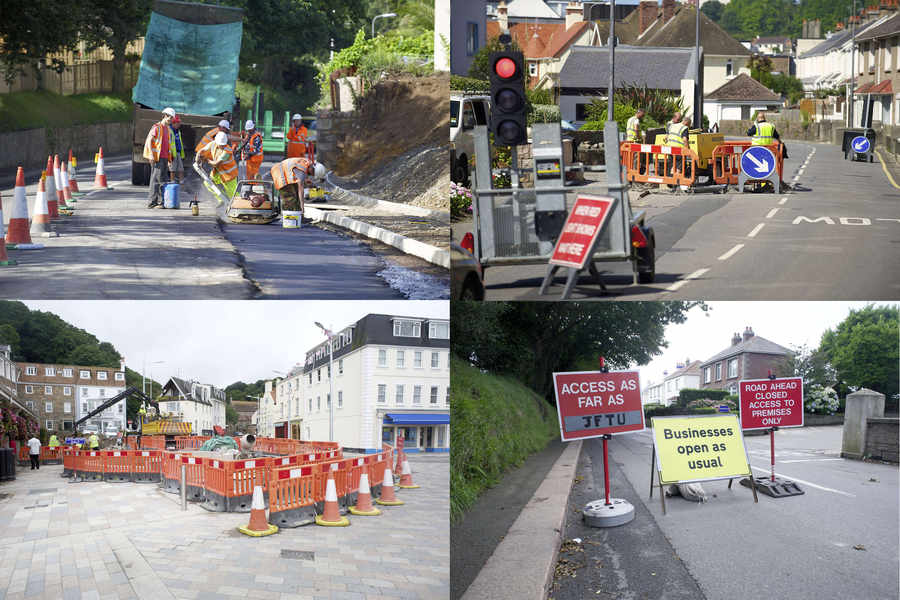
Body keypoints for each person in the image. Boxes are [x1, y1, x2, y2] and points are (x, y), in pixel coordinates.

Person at [143, 107, 176, 208]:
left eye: (172, 119)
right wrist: (152, 155)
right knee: (158, 180)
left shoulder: (167, 129)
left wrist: (169, 159)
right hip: (158, 158)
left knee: (161, 179)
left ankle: (156, 201)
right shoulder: (157, 127)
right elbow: (149, 140)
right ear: (165, 116)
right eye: (170, 118)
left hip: (164, 158)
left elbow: (168, 145)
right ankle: (155, 202)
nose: (171, 120)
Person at [197, 131, 239, 204]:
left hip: (229, 175)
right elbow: (202, 150)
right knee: (208, 183)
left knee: (233, 194)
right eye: (220, 145)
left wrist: (205, 159)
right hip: (218, 172)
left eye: (223, 145)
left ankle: (239, 205)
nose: (222, 146)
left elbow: (216, 164)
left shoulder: (227, 151)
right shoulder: (213, 144)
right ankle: (221, 199)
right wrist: (198, 156)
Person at [169, 115, 186, 183]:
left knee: (181, 168)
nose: (179, 125)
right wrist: (170, 153)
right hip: (173, 153)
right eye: (177, 123)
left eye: (179, 123)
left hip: (178, 152)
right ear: (173, 123)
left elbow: (179, 142)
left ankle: (181, 181)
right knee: (172, 168)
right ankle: (172, 180)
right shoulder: (170, 131)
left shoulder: (177, 131)